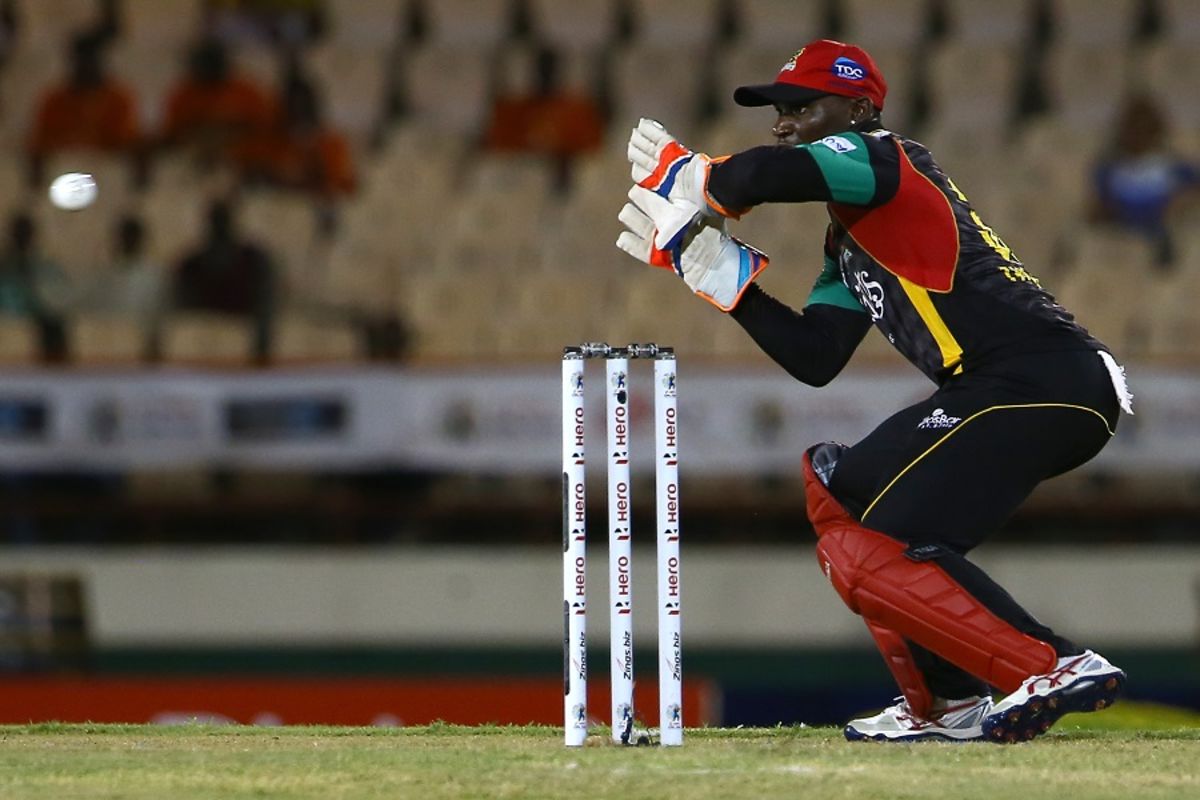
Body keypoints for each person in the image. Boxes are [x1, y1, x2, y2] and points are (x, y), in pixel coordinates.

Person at [615, 39, 1133, 743]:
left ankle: (1051, 664)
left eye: (802, 107)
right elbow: (817, 354)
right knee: (844, 499)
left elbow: (766, 176)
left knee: (870, 542)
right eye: (779, 110)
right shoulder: (853, 236)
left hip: (1039, 377)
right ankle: (946, 705)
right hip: (1024, 385)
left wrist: (694, 176)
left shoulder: (883, 156)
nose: (784, 122)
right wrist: (722, 281)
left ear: (859, 109)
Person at [1087, 92, 1200, 267]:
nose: (1139, 134)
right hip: (1122, 240)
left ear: (1157, 129)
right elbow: (1098, 211)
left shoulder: (1175, 168)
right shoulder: (1108, 171)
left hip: (1165, 240)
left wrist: (1182, 203)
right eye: (1133, 127)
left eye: (1145, 127)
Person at [483, 43, 605, 192]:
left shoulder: (577, 111)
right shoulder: (511, 111)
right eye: (540, 71)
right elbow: (499, 153)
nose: (544, 78)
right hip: (518, 185)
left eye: (549, 71)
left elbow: (591, 154)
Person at [26, 34, 140, 186]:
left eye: (91, 61)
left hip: (108, 172)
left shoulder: (119, 98)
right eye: (82, 61)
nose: (87, 66)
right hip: (62, 173)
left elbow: (127, 142)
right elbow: (40, 141)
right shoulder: (55, 99)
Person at [173, 199, 276, 363]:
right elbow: (183, 308)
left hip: (241, 338)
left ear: (231, 223)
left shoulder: (252, 259)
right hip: (198, 338)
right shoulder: (191, 264)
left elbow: (263, 301)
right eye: (216, 221)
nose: (219, 226)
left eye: (222, 221)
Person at [159, 37, 275, 168]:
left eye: (210, 64)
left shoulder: (246, 92)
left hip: (245, 159)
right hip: (194, 160)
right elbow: (172, 135)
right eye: (202, 65)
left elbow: (266, 130)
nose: (206, 70)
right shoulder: (183, 94)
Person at [75, 215, 167, 360]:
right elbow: (84, 315)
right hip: (100, 351)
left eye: (132, 237)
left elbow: (158, 322)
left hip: (142, 354)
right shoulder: (101, 276)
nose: (128, 241)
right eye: (125, 237)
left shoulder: (154, 277)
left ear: (140, 240)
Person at [0, 213, 72, 362]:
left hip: (38, 328)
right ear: (12, 236)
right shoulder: (4, 267)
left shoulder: (45, 267)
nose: (22, 238)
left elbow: (54, 303)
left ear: (32, 236)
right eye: (18, 233)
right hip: (6, 325)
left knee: (54, 325)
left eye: (25, 233)